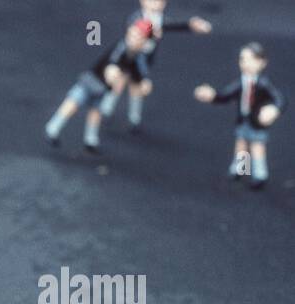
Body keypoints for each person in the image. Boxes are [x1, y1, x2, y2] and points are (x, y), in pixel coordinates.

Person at [44, 19, 154, 153]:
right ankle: (53, 127)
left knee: (96, 112)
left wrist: (144, 81)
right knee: (73, 103)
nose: (134, 39)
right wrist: (112, 69)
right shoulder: (122, 47)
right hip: (91, 81)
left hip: (103, 89)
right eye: (133, 34)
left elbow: (140, 71)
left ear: (144, 42)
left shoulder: (138, 56)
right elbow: (113, 60)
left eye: (139, 37)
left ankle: (90, 140)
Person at [100, 0, 211, 132]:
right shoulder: (136, 17)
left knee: (137, 87)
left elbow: (173, 25)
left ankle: (134, 118)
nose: (156, 4)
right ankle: (106, 108)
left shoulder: (159, 19)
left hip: (144, 58)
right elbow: (135, 32)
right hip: (129, 56)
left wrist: (191, 25)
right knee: (118, 82)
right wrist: (151, 32)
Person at [194, 43, 286, 190]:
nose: (246, 64)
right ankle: (241, 169)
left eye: (251, 60)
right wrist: (213, 96)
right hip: (243, 120)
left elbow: (280, 99)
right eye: (243, 59)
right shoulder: (241, 83)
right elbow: (226, 95)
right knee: (241, 145)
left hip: (257, 122)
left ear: (262, 63)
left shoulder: (264, 84)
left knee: (257, 147)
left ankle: (260, 175)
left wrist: (274, 109)